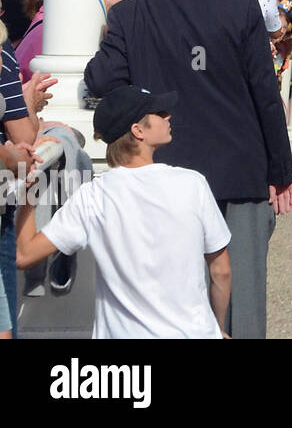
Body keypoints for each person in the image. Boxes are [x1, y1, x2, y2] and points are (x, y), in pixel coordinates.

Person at [84, 0, 292, 338]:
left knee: (170, 295)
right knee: (242, 297)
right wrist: (280, 171)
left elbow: (100, 80)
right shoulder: (240, 6)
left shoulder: (130, 15)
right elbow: (265, 94)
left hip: (163, 169)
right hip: (237, 169)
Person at [15, 85, 233, 339]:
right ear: (138, 130)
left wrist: (28, 193)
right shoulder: (193, 184)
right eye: (159, 113)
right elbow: (221, 270)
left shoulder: (93, 196)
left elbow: (24, 254)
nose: (168, 116)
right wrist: (217, 328)